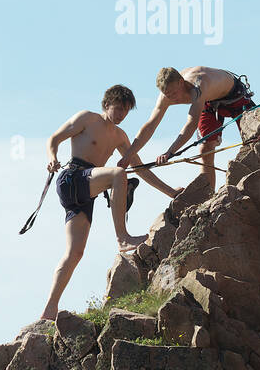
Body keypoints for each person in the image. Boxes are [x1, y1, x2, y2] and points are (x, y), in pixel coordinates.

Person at [39, 84, 179, 322]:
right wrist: (52, 158)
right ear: (107, 104)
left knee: (75, 253)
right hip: (72, 178)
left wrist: (170, 192)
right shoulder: (88, 119)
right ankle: (122, 237)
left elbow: (141, 169)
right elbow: (54, 138)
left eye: (126, 111)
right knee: (117, 174)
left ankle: (49, 310)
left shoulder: (120, 137)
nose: (122, 114)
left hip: (87, 191)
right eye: (119, 108)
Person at [125, 66, 255, 184]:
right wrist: (128, 155)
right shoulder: (167, 94)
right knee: (205, 150)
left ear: (181, 83)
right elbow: (150, 125)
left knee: (253, 140)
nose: (172, 98)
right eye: (167, 95)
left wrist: (169, 152)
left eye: (174, 93)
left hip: (235, 95)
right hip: (209, 102)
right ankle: (209, 196)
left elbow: (191, 124)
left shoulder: (198, 86)